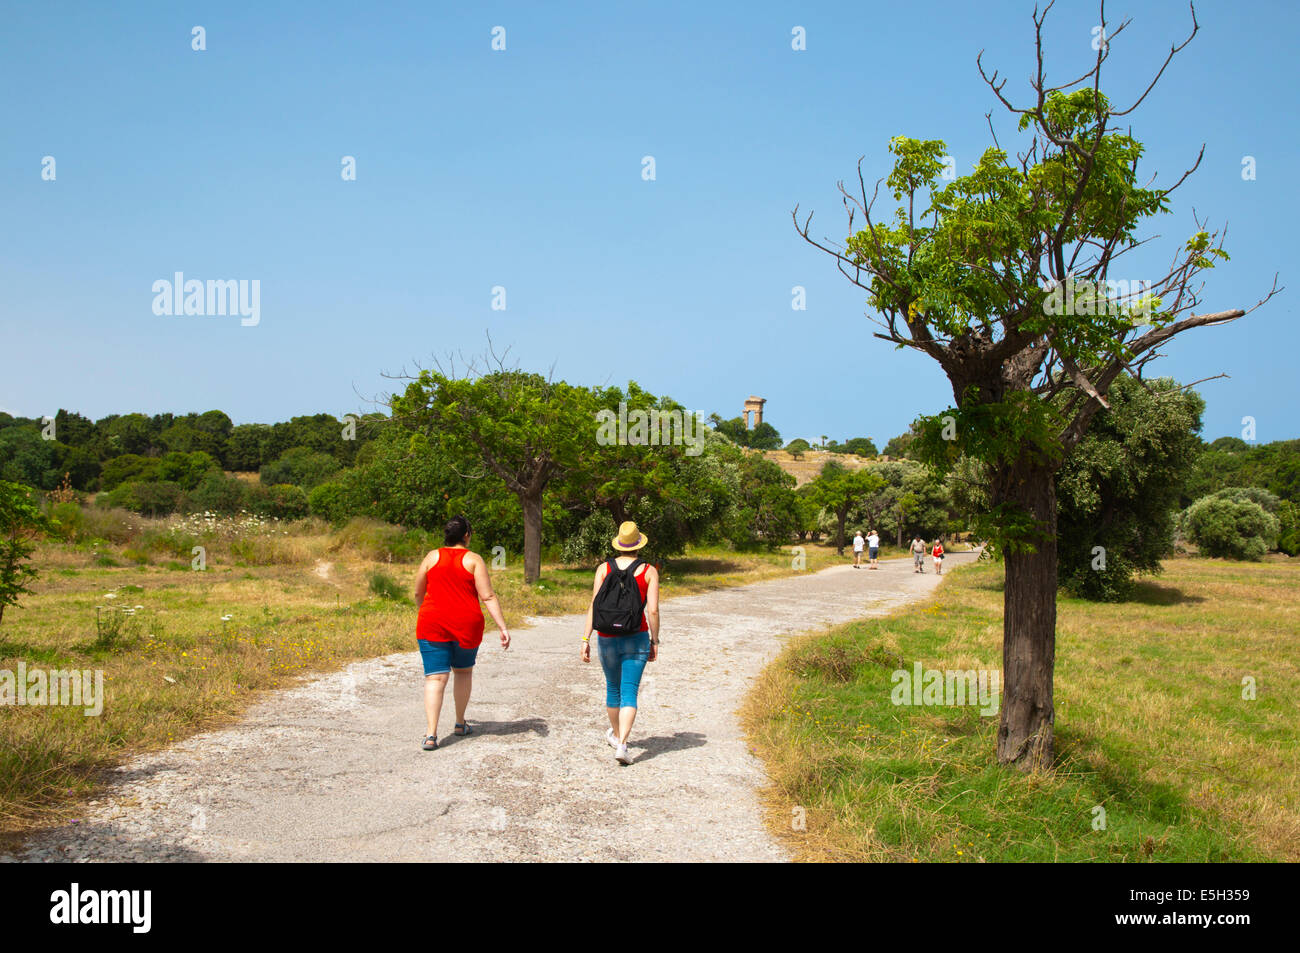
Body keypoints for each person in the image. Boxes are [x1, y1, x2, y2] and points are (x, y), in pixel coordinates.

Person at [413, 515, 510, 751]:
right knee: (463, 672)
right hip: (467, 624)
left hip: (432, 623)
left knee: (435, 678)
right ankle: (459, 722)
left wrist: (426, 612)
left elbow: (418, 592)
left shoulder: (431, 556)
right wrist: (502, 626)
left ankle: (430, 734)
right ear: (467, 535)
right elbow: (487, 596)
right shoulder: (473, 559)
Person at [581, 521, 660, 765]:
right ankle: (623, 744)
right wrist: (654, 641)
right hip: (636, 638)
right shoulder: (648, 571)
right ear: (638, 544)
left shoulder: (603, 568)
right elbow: (653, 611)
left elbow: (594, 605)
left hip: (607, 638)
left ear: (619, 543)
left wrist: (586, 638)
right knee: (629, 692)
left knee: (612, 689)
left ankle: (616, 736)